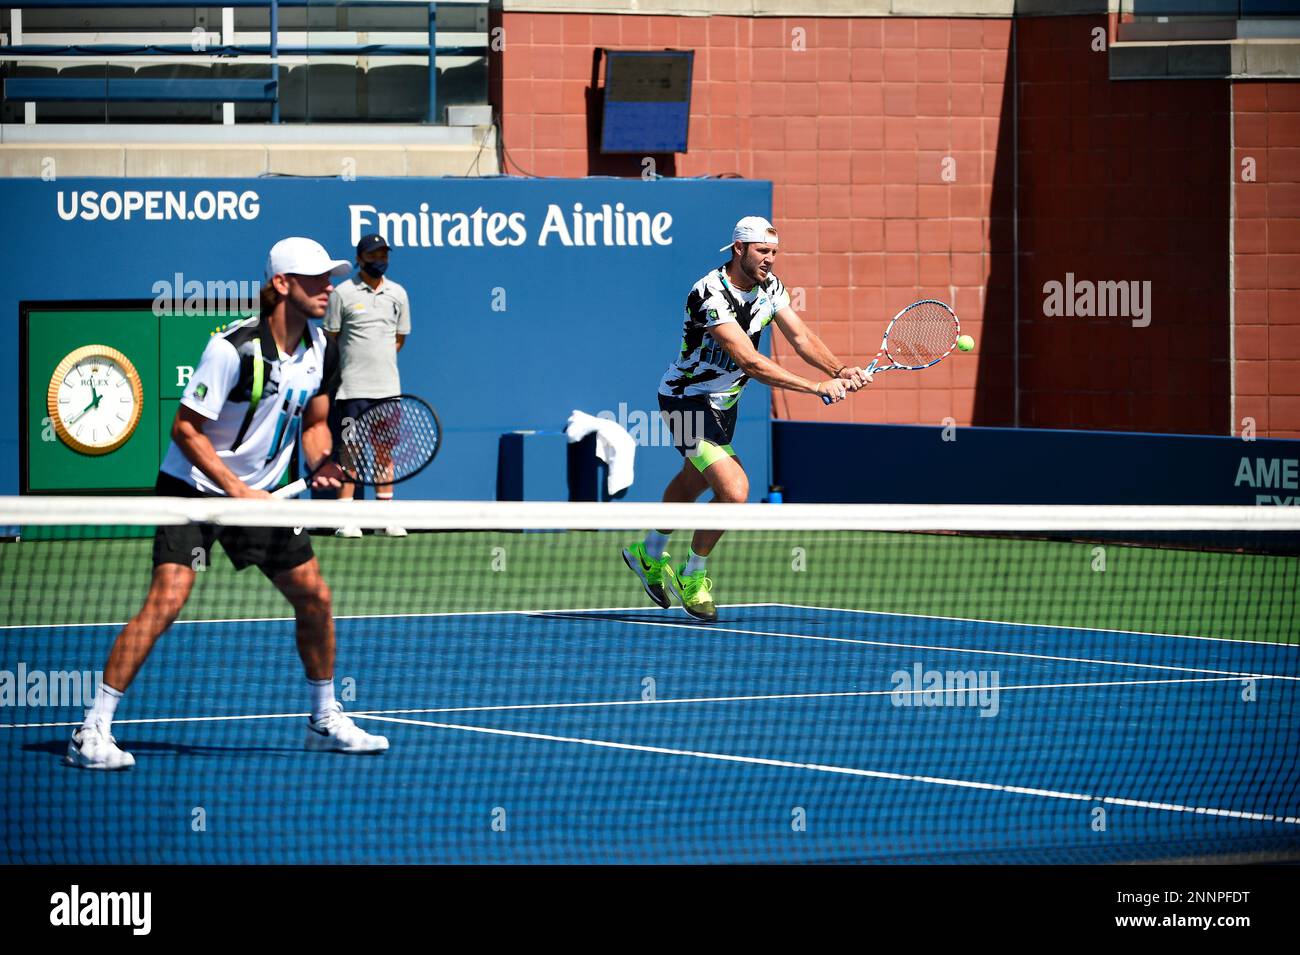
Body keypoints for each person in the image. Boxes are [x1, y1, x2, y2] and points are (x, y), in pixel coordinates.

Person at [66, 237, 390, 770]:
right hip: (193, 489)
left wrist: (324, 463)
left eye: (329, 276)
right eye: (314, 278)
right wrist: (237, 492)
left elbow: (313, 423)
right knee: (169, 598)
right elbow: (186, 430)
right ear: (282, 285)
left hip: (259, 494)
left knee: (315, 598)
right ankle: (91, 729)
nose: (327, 285)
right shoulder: (232, 348)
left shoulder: (322, 350)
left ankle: (324, 719)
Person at [622, 217, 871, 623]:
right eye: (762, 251)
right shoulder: (709, 293)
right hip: (685, 399)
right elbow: (749, 361)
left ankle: (646, 553)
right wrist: (816, 388)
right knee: (735, 491)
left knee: (694, 480)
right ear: (739, 249)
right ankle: (692, 575)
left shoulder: (771, 288)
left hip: (725, 403)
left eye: (774, 252)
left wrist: (839, 370)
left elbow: (802, 338)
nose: (770, 260)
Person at [324, 233, 412, 538]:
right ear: (360, 259)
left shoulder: (398, 294)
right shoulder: (342, 294)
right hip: (351, 389)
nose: (379, 261)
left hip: (388, 389)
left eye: (383, 255)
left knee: (384, 453)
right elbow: (331, 339)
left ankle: (385, 517)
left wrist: (377, 361)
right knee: (350, 452)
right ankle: (346, 519)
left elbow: (399, 338)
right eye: (373, 256)